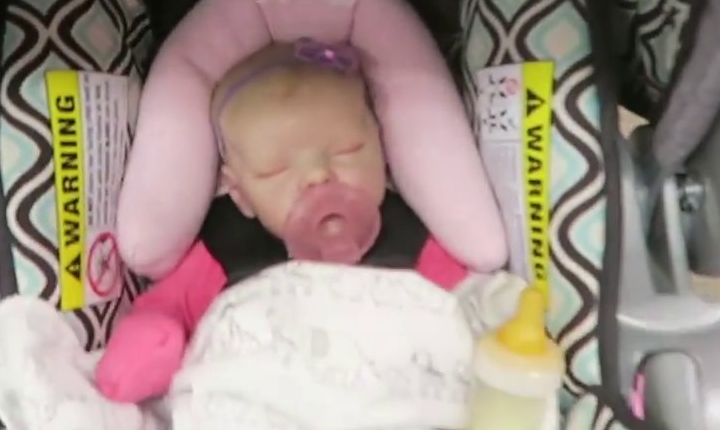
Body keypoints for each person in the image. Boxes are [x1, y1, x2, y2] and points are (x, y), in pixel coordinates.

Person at [96, 38, 469, 403]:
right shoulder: (227, 248)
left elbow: (476, 304)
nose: (318, 176)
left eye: (347, 151)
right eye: (275, 170)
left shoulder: (410, 235)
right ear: (240, 195)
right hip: (263, 397)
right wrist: (150, 341)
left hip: (392, 396)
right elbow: (167, 308)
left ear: (384, 151)